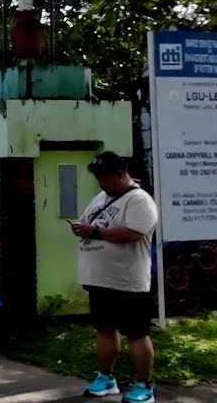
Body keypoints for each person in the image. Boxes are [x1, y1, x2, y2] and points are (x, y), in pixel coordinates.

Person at [71, 151, 159, 403]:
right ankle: (107, 378)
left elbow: (134, 232)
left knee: (137, 333)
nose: (101, 184)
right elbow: (89, 221)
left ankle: (145, 386)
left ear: (120, 175)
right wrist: (81, 227)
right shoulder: (102, 197)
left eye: (105, 178)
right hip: (99, 279)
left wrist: (94, 231)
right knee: (104, 329)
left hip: (127, 281)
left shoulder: (140, 200)